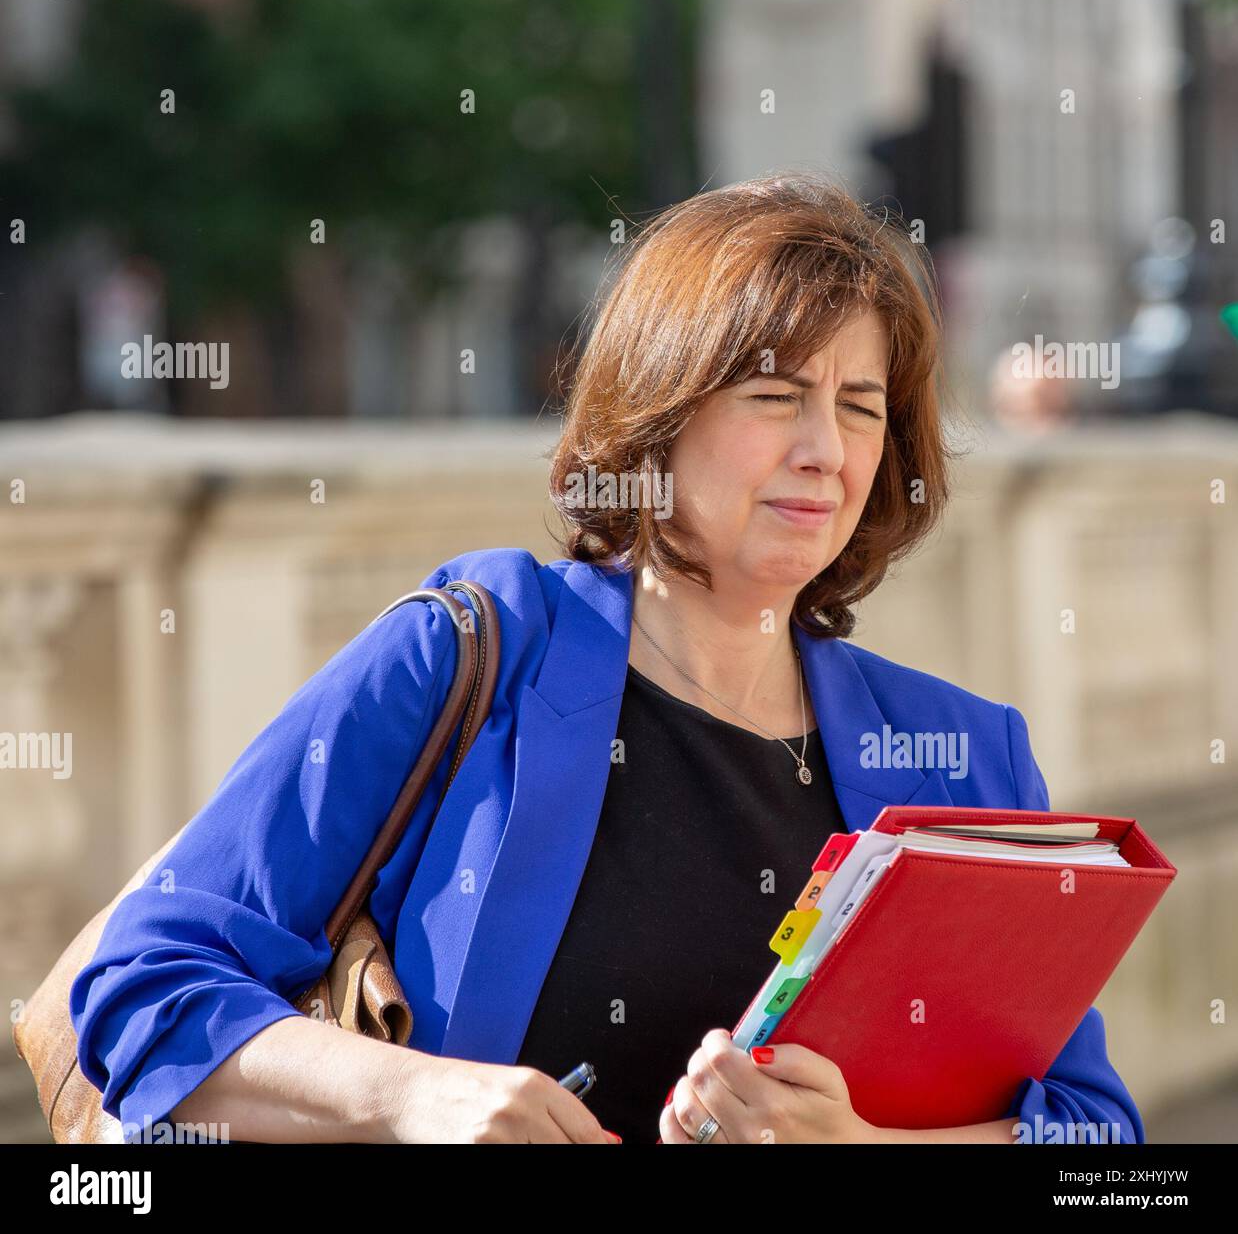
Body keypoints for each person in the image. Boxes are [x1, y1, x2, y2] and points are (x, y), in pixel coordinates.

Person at [70, 174, 1144, 1144]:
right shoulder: (462, 652)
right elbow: (141, 983)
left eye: (858, 408)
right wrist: (414, 1096)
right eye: (775, 396)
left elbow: (1095, 1140)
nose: (825, 447)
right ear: (658, 415)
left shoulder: (961, 758)